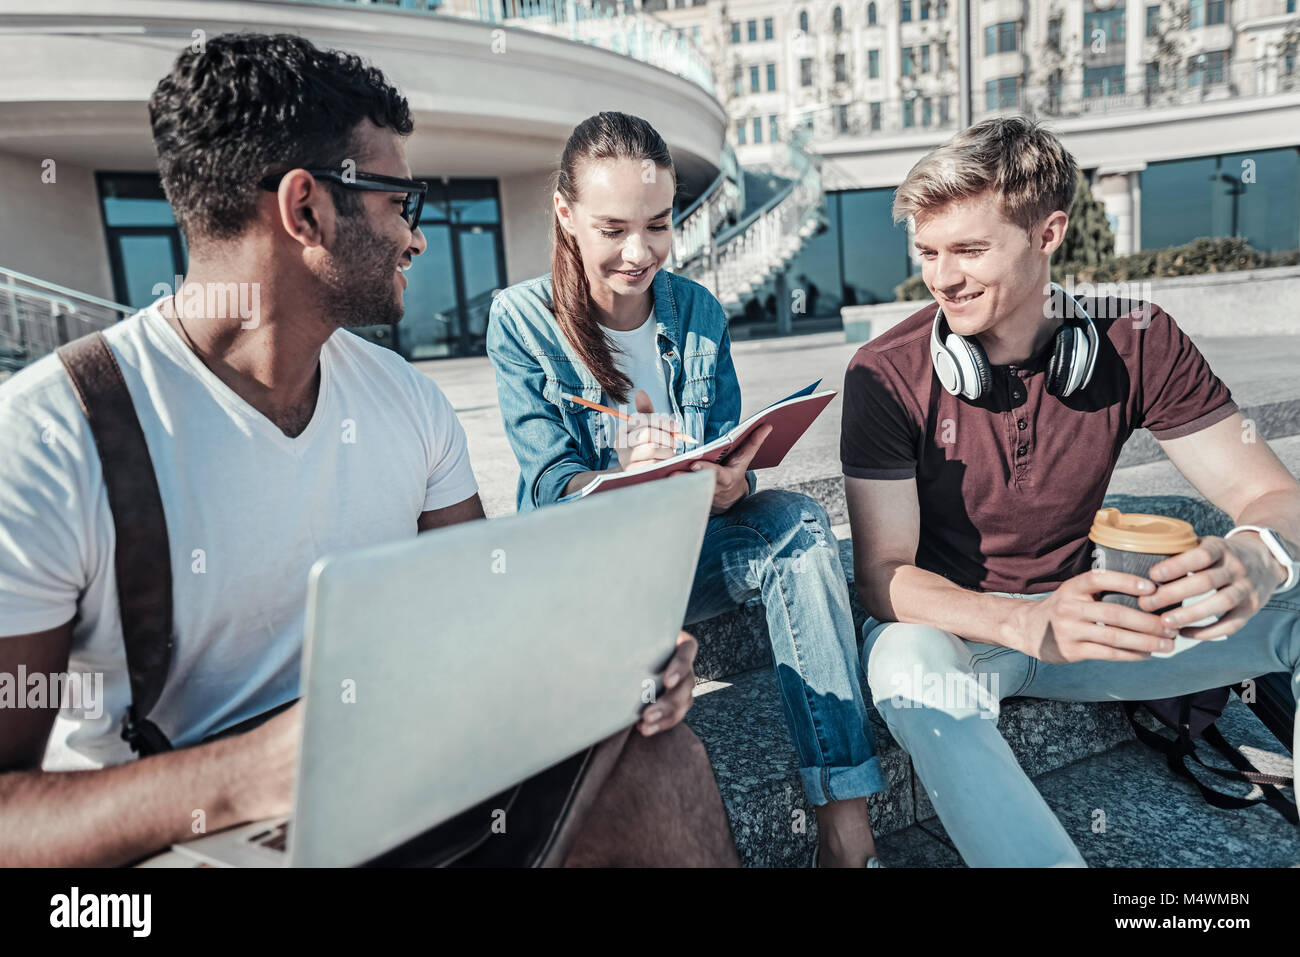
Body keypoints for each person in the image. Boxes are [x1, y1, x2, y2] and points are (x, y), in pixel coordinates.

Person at [0, 33, 736, 868]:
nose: (416, 238)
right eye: (399, 202)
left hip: (407, 781)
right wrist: (256, 773)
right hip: (189, 836)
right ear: (306, 209)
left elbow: (488, 613)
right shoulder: (51, 437)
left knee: (657, 758)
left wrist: (612, 656)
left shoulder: (406, 403)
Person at [841, 115, 1300, 867]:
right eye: (927, 251)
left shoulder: (1141, 338)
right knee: (903, 666)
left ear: (1049, 233)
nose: (940, 276)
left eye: (968, 250)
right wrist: (1020, 623)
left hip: (1090, 625)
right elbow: (881, 575)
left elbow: (1274, 495)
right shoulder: (884, 373)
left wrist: (1259, 556)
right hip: (958, 630)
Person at [486, 111, 887, 867]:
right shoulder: (520, 321)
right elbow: (545, 489)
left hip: (688, 552)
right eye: (612, 229)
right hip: (588, 572)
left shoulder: (698, 310)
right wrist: (623, 475)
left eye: (659, 225)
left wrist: (734, 483)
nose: (639, 253)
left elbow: (735, 453)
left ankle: (846, 826)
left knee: (800, 527)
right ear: (566, 217)